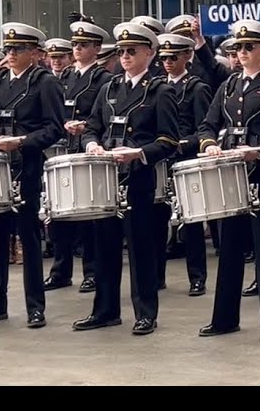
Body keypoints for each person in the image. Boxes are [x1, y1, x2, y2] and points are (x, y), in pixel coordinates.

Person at [74, 22, 180, 335]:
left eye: (132, 51)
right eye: (121, 51)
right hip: (107, 176)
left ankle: (145, 312)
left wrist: (138, 154)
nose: (125, 56)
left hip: (137, 177)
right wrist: (90, 143)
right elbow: (92, 125)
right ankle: (105, 310)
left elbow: (169, 140)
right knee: (104, 247)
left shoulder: (160, 90)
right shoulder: (109, 88)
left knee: (140, 248)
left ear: (150, 52)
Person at [197, 19, 260, 344]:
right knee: (229, 248)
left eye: (249, 47)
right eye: (238, 48)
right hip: (230, 174)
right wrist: (210, 144)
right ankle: (224, 318)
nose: (241, 53)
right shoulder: (228, 85)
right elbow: (208, 124)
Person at [0, 23, 65, 328]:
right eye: (8, 49)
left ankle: (35, 304)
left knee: (28, 235)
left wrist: (21, 141)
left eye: (18, 49)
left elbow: (54, 129)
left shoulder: (44, 82)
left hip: (26, 164)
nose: (10, 54)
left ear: (35, 53)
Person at [47, 20, 113, 294]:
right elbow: (54, 110)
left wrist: (85, 126)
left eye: (83, 45)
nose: (77, 49)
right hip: (63, 146)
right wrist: (63, 123)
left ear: (96, 49)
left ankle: (92, 271)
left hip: (86, 149)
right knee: (58, 214)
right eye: (74, 44)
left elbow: (105, 116)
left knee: (89, 215)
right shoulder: (64, 76)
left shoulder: (104, 79)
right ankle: (60, 270)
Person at [154, 32, 213, 297]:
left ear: (187, 56)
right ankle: (157, 276)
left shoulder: (197, 88)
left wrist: (183, 144)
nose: (167, 62)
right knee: (157, 221)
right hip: (160, 159)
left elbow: (204, 129)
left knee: (190, 223)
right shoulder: (155, 86)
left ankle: (197, 277)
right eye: (164, 57)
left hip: (185, 158)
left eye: (173, 57)